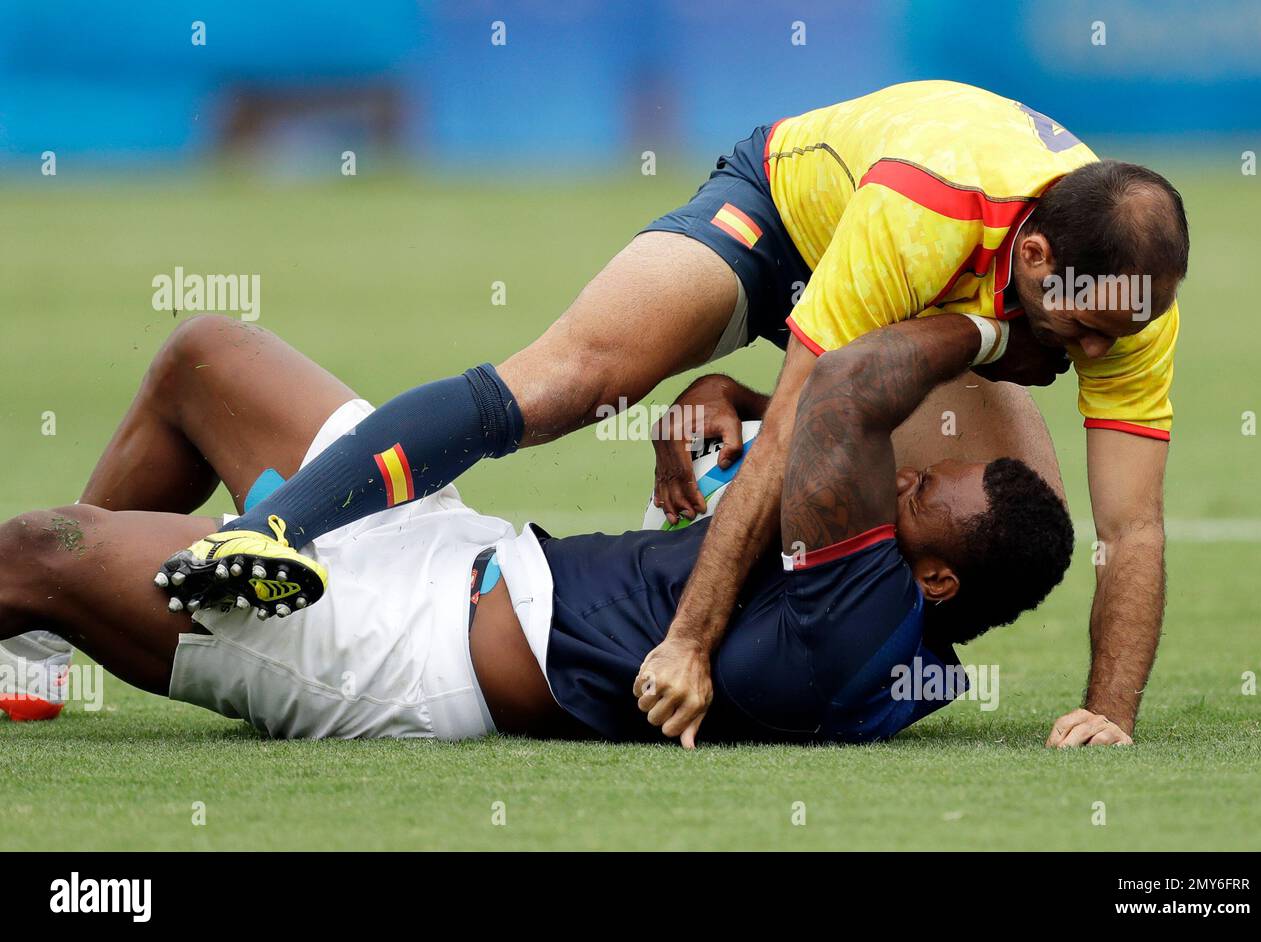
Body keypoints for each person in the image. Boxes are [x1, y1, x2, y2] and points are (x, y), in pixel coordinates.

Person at [150, 80, 1187, 746]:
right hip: (786, 219)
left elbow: (1129, 525)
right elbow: (803, 425)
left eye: (1116, 335)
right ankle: (284, 526)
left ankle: (746, 530)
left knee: (1016, 515)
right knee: (558, 388)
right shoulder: (932, 209)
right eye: (1082, 332)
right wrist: (687, 645)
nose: (1096, 354)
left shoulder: (1122, 300)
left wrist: (1110, 712)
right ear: (1037, 258)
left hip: (921, 313)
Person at [0, 315, 1074, 744]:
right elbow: (789, 442)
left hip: (398, 650)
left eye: (930, 491)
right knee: (208, 358)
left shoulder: (863, 628)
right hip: (460, 547)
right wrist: (722, 396)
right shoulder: (881, 584)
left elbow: (840, 392)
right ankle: (40, 658)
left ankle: (43, 610)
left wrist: (986, 320)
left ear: (933, 581)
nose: (913, 474)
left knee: (45, 548)